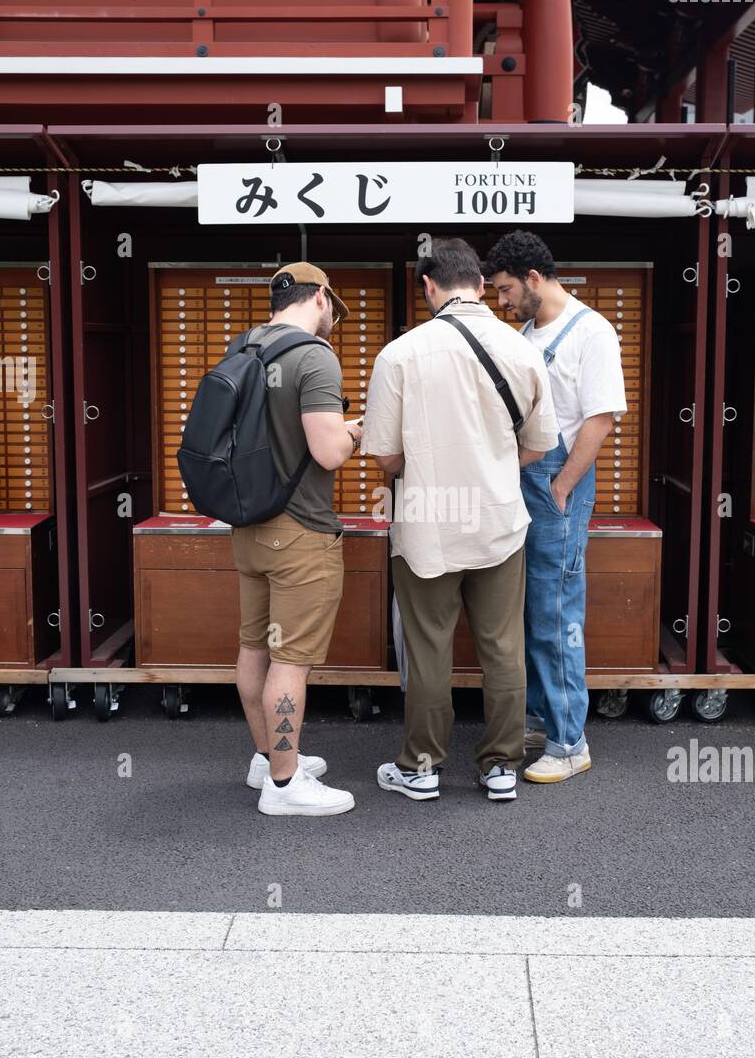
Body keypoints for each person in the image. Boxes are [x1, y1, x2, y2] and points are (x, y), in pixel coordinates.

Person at [361, 237, 559, 803]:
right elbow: (539, 446)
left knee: (428, 647)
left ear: (428, 285)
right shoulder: (521, 351)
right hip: (499, 519)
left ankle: (421, 768)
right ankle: (501, 767)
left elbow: (386, 455)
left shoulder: (399, 354)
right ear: (478, 281)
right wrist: (494, 466)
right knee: (503, 646)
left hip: (426, 522)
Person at [483, 230, 627, 783]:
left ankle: (570, 742)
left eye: (504, 289)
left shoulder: (591, 332)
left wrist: (564, 486)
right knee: (526, 611)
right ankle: (543, 721)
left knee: (556, 612)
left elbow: (601, 418)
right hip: (524, 484)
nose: (501, 300)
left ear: (534, 279)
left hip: (557, 487)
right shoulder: (523, 332)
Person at [232, 262, 364, 817]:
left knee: (254, 646)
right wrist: (356, 430)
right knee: (291, 661)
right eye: (334, 307)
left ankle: (267, 758)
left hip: (249, 528)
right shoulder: (313, 357)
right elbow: (328, 452)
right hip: (301, 531)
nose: (334, 318)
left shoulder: (242, 348)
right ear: (321, 298)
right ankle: (284, 787)